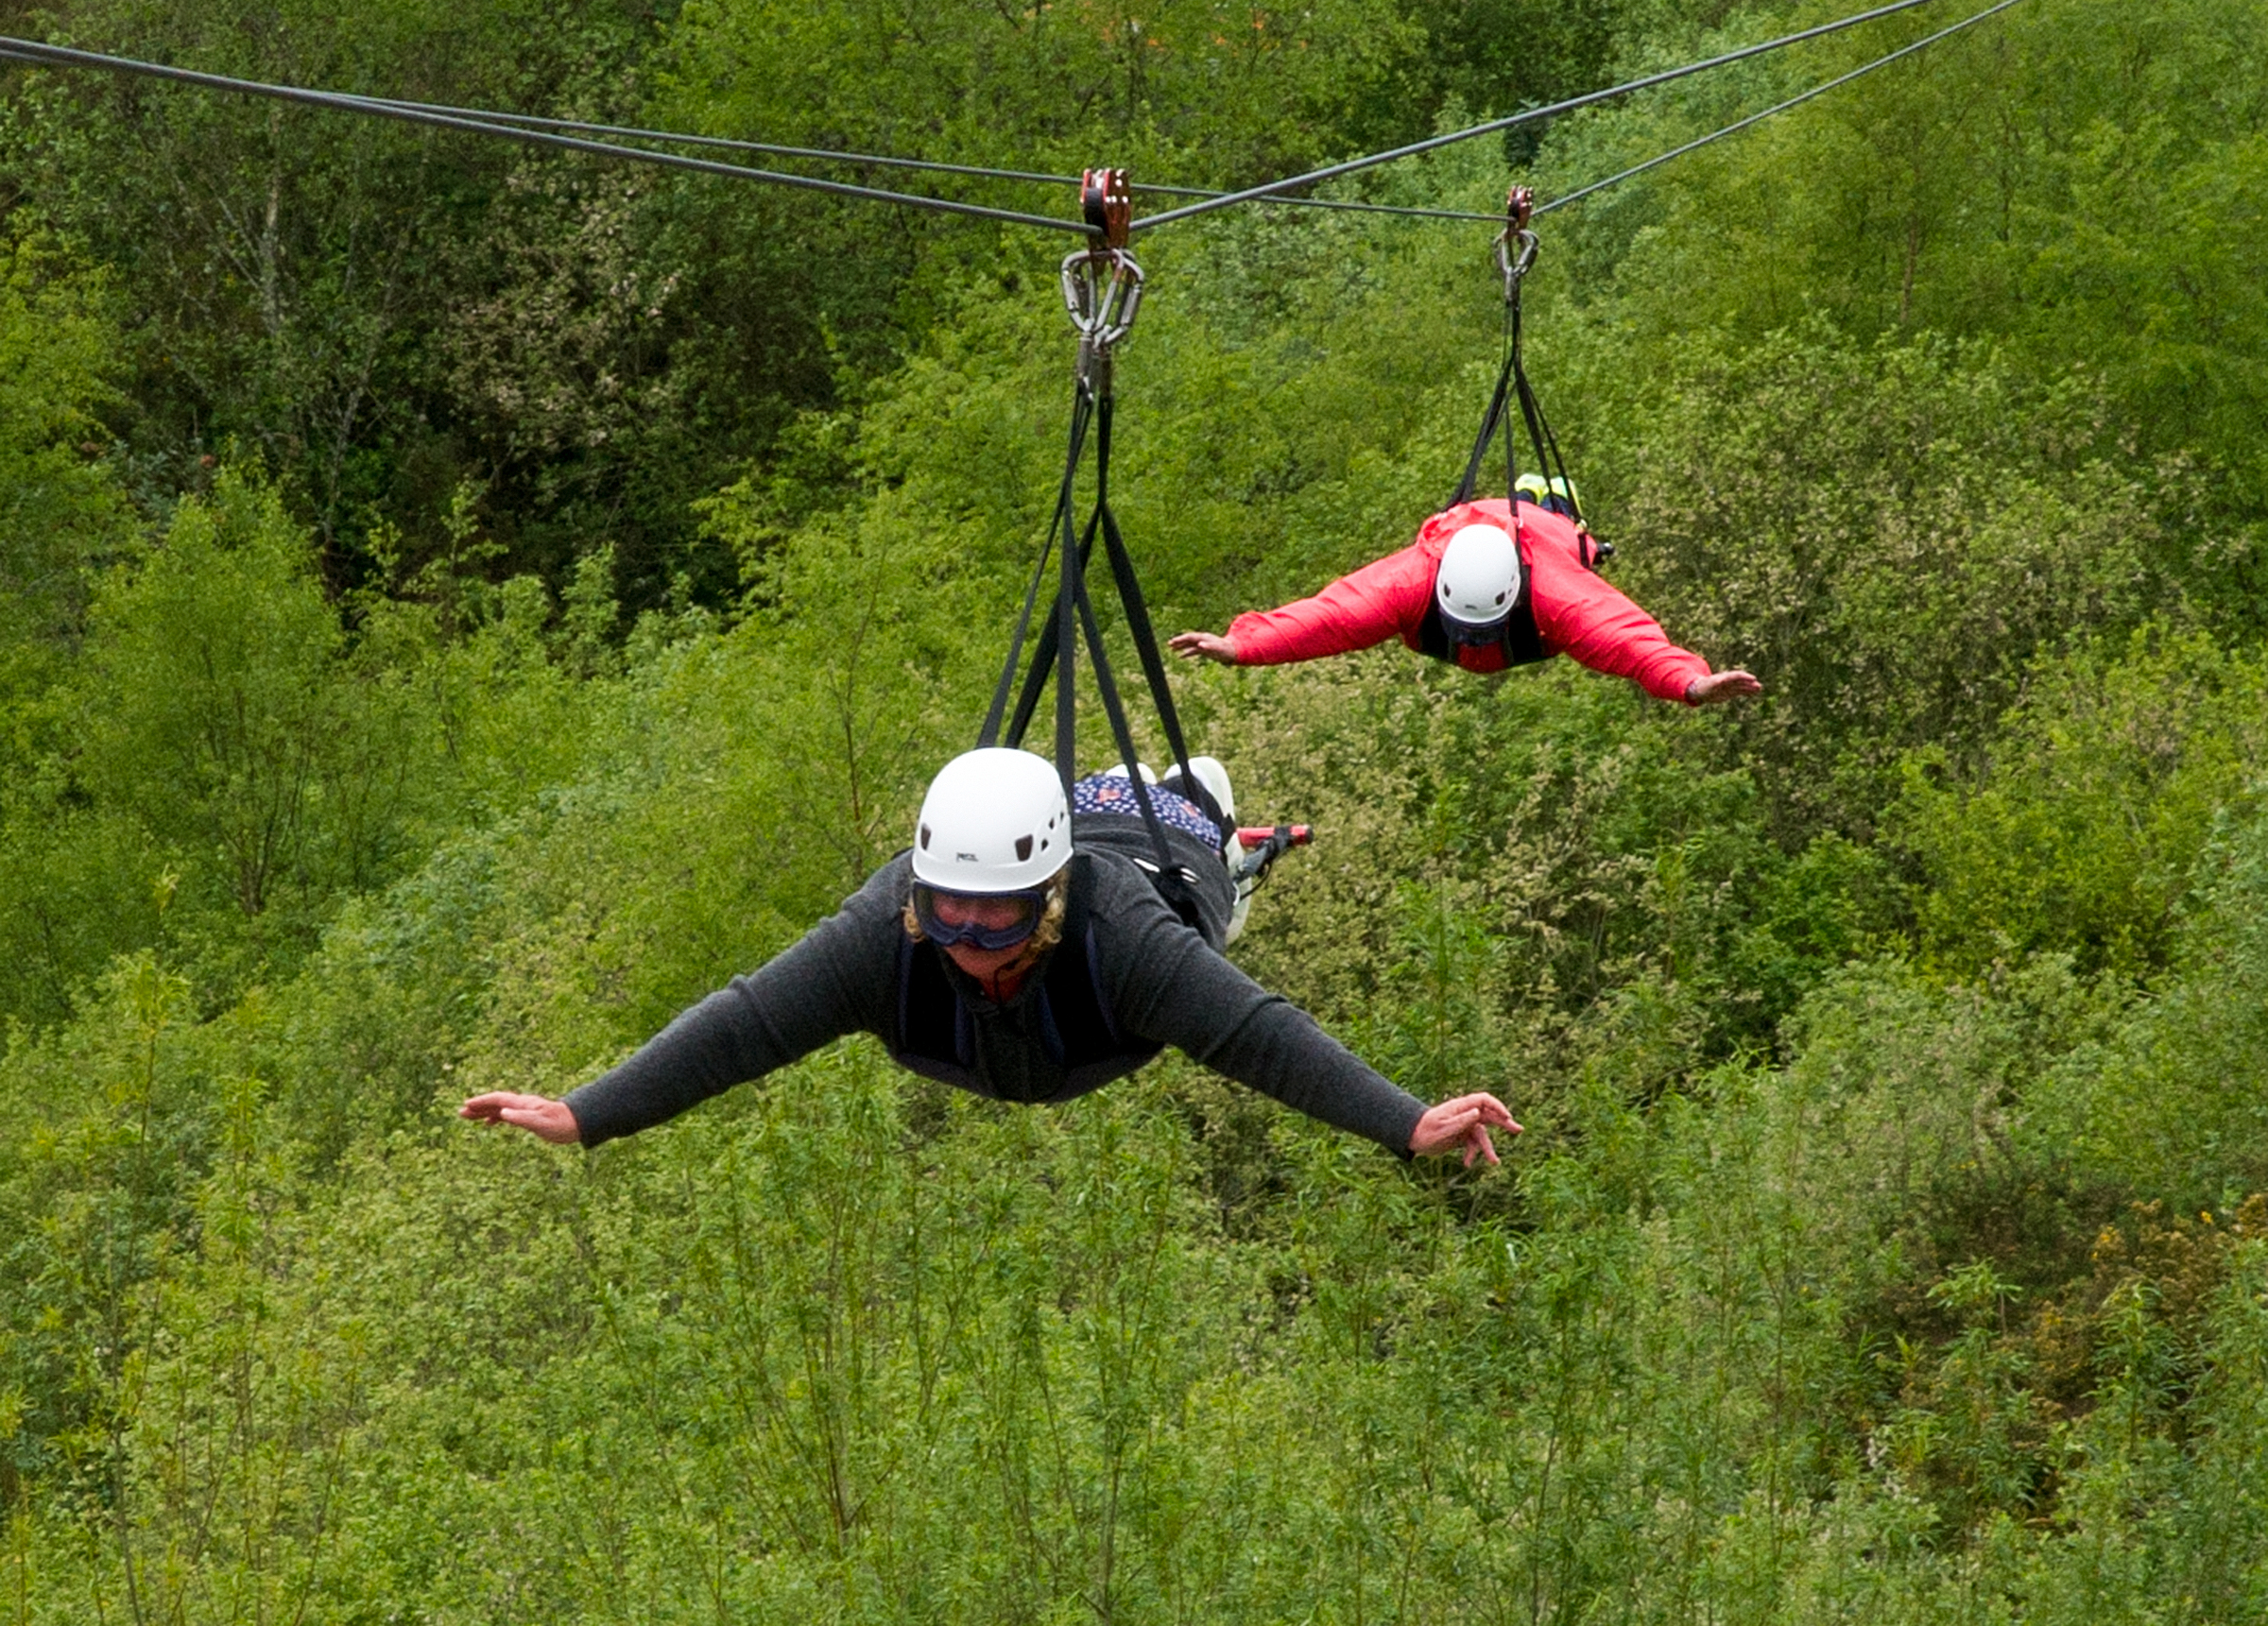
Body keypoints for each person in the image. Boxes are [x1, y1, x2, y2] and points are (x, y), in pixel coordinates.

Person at [463, 746, 1517, 1165]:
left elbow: (1256, 1035)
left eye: (996, 925)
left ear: (1046, 901)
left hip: (1158, 876)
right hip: (1072, 845)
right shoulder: (891, 931)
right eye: (948, 919)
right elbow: (748, 1024)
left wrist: (1404, 1120)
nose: (968, 950)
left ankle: (1234, 840)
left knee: (1184, 806)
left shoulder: (1121, 940)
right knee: (1111, 785)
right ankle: (1141, 791)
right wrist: (586, 1111)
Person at [1169, 477, 1761, 707]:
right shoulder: (1413, 579)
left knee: (1558, 520)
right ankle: (1535, 494)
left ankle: (1546, 498)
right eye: (1465, 630)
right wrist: (1240, 645)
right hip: (1475, 539)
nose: (1472, 643)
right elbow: (1331, 619)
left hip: (1542, 541)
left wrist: (1689, 681)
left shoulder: (1559, 591)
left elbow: (1628, 639)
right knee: (1537, 508)